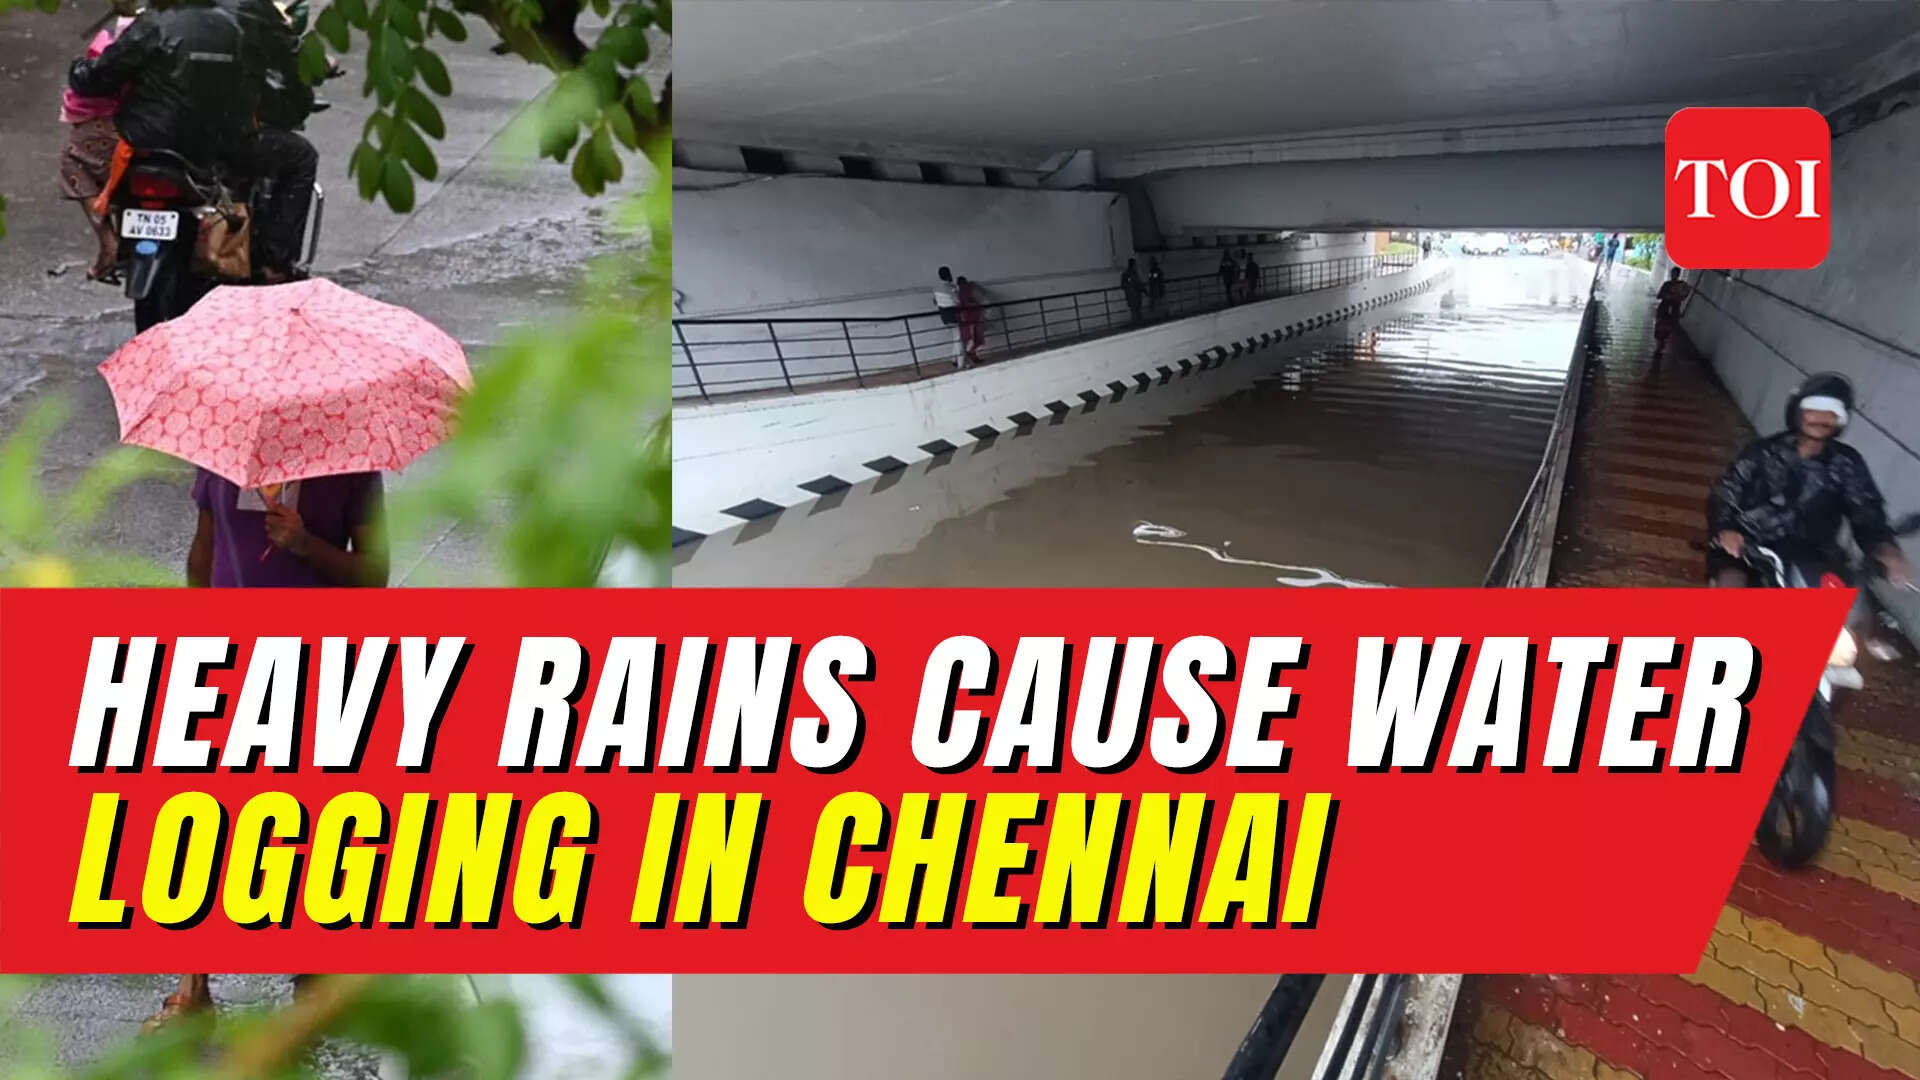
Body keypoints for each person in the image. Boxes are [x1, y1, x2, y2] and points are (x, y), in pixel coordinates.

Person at [147, 470, 386, 1034]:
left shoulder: (350, 467)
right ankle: (193, 984)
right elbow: (201, 558)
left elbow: (375, 574)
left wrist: (306, 545)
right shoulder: (223, 461)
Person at [1707, 372, 1912, 592]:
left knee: (1851, 616)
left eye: (1832, 413)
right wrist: (1727, 528)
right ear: (1798, 412)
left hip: (1814, 557)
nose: (1821, 418)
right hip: (1750, 548)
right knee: (1729, 592)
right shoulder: (1762, 452)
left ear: (1841, 420)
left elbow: (1866, 511)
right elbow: (1726, 492)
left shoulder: (1847, 463)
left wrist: (1886, 549)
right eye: (1813, 410)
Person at [218, 0, 320, 280]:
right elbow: (291, 64)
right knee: (302, 156)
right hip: (229, 134)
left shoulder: (163, 12)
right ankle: (276, 262)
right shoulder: (255, 11)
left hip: (172, 132)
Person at [58, 4, 139, 281]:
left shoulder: (135, 35)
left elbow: (98, 77)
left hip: (122, 127)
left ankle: (108, 242)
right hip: (164, 126)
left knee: (74, 162)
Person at [1652, 267, 1691, 358]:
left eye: (1675, 274)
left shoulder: (1682, 286)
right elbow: (1659, 295)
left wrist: (1675, 296)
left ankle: (1661, 345)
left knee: (1668, 329)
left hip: (1673, 310)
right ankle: (1659, 346)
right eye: (1672, 273)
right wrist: (1669, 296)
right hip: (1664, 309)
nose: (1673, 275)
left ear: (1678, 275)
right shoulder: (1667, 284)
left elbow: (1684, 296)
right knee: (1659, 328)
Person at [933, 265, 961, 363]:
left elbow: (934, 302)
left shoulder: (936, 288)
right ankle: (961, 363)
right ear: (949, 275)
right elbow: (958, 300)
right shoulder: (951, 287)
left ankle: (954, 359)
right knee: (959, 339)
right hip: (954, 315)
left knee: (956, 337)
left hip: (944, 316)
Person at [955, 275, 984, 367]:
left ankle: (969, 355)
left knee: (970, 339)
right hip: (973, 318)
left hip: (967, 319)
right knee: (974, 338)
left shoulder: (960, 293)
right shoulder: (969, 289)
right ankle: (970, 355)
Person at [1120, 258, 1144, 325]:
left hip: (1133, 294)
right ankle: (1137, 322)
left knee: (1136, 309)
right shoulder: (1130, 273)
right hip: (1133, 294)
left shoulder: (1129, 273)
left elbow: (1123, 285)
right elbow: (1138, 283)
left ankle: (1137, 322)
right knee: (1136, 309)